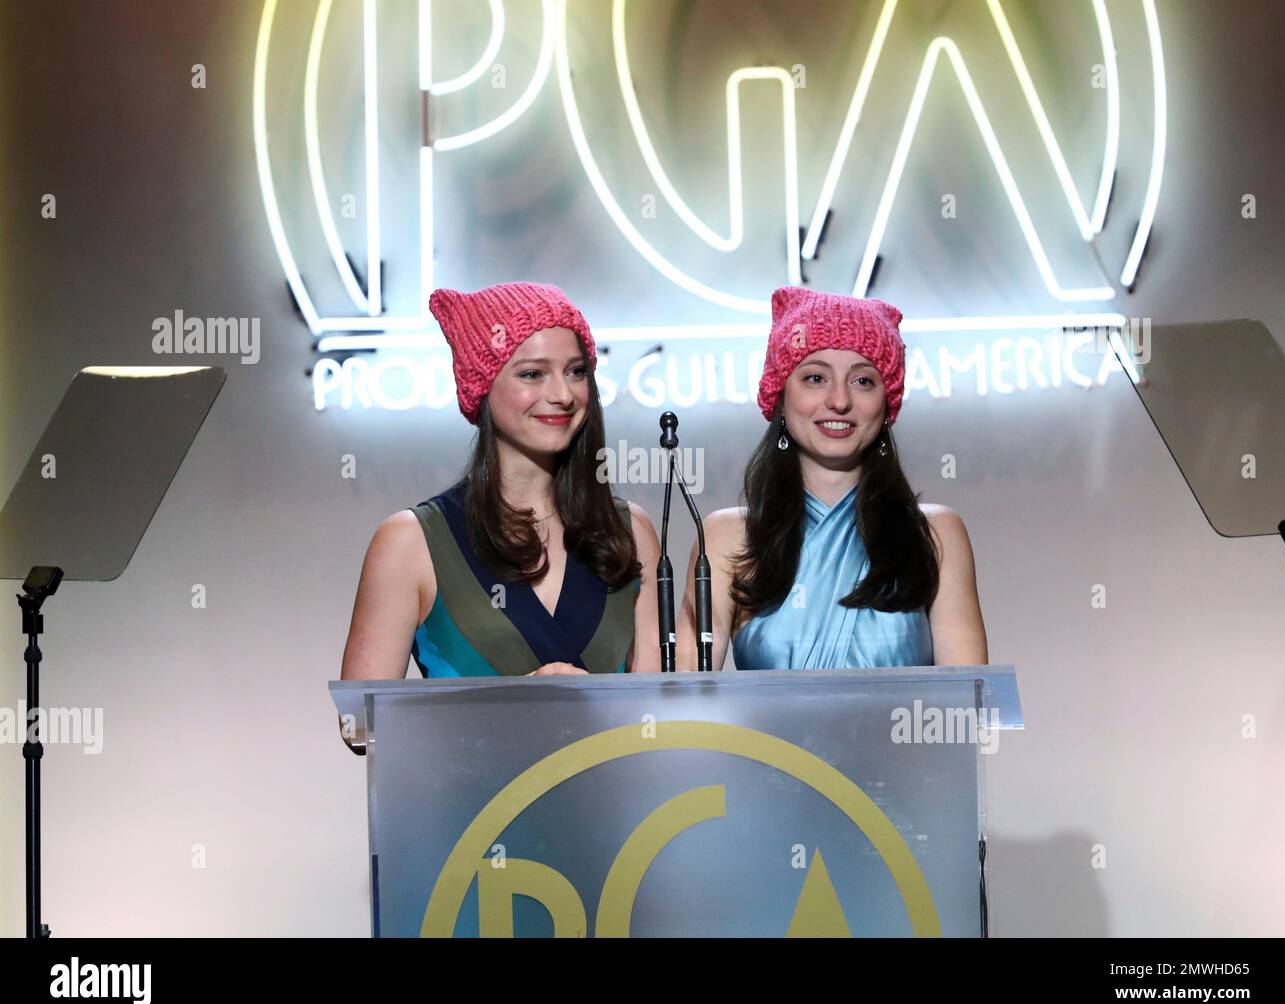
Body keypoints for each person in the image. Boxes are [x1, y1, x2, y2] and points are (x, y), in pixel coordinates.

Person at [339, 282, 661, 752]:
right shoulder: (412, 541)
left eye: (576, 371)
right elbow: (357, 727)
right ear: (482, 387)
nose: (562, 394)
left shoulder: (630, 531)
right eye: (532, 374)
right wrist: (509, 706)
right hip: (471, 820)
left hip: (616, 819)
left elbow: (655, 716)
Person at [676, 285, 987, 671]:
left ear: (886, 402)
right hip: (766, 736)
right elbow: (685, 706)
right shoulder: (728, 537)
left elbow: (967, 704)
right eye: (815, 378)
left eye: (862, 381)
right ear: (781, 396)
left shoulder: (936, 534)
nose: (839, 400)